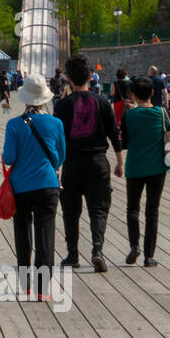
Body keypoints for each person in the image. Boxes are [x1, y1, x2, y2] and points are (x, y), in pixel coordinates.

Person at [54, 55, 123, 273]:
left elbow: (57, 139)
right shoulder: (102, 101)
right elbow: (114, 133)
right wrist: (120, 162)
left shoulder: (63, 105)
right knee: (99, 208)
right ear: (90, 76)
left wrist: (56, 167)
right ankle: (97, 250)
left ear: (67, 78)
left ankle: (72, 254)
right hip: (97, 162)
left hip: (72, 162)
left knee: (70, 210)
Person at [3, 74, 66, 299]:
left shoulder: (13, 125)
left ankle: (25, 284)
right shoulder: (55, 123)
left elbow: (9, 157)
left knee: (23, 233)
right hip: (47, 185)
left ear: (26, 99)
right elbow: (60, 157)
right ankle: (41, 289)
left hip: (20, 187)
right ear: (44, 99)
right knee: (45, 234)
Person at [120, 76, 170, 267]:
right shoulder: (162, 112)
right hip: (157, 167)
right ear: (152, 93)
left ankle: (134, 245)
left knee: (132, 208)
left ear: (132, 94)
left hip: (135, 166)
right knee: (152, 211)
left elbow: (124, 142)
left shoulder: (128, 115)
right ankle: (149, 256)